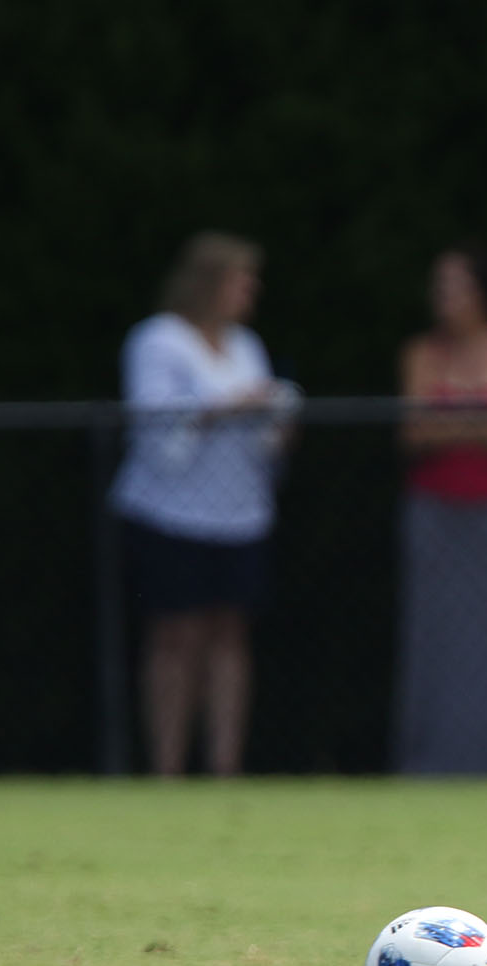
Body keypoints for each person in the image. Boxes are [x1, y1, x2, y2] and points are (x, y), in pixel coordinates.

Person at [111, 231, 296, 777]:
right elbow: (156, 422)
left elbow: (264, 432)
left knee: (229, 636)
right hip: (172, 514)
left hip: (239, 513)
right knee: (176, 636)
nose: (250, 293)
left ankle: (224, 767)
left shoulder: (246, 345)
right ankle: (167, 768)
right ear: (209, 282)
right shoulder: (158, 341)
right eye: (242, 281)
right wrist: (229, 407)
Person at [394, 246, 487, 774]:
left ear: (482, 292)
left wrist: (451, 417)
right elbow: (415, 433)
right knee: (434, 639)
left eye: (454, 286)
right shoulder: (421, 353)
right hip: (435, 514)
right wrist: (486, 417)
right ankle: (430, 763)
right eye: (439, 286)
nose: (442, 297)